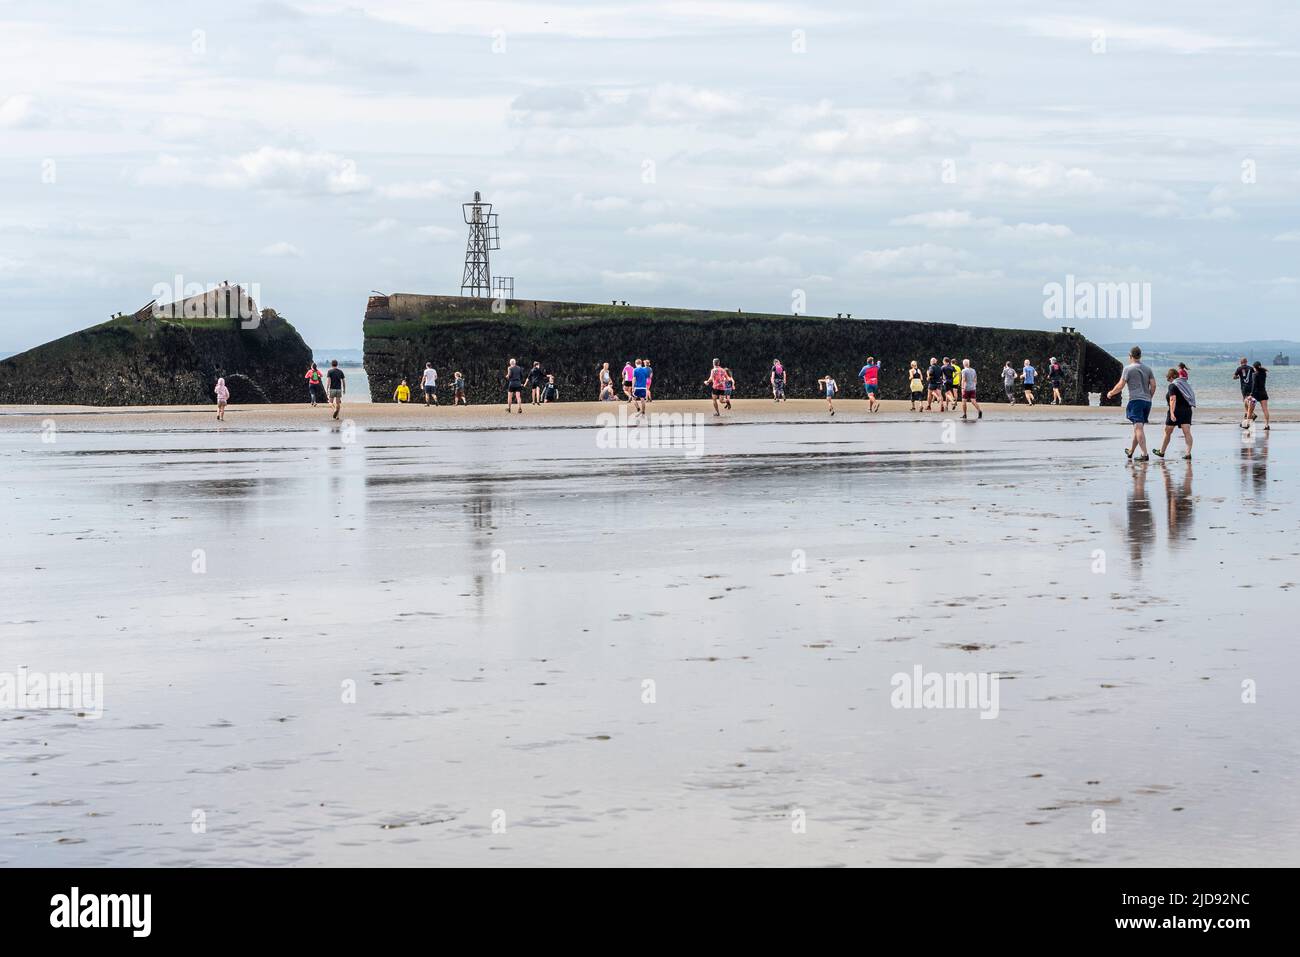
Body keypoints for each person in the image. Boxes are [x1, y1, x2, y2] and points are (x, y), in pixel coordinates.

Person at [1106, 346, 1156, 460]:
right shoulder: (1148, 369)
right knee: (1138, 428)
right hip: (1147, 402)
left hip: (1136, 401)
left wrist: (1111, 393)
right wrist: (1149, 397)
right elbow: (1153, 385)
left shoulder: (1128, 369)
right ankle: (1131, 451)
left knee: (1138, 428)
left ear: (1130, 356)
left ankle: (1144, 454)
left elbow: (1120, 385)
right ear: (1140, 356)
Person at [1153, 367, 1194, 459]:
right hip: (1187, 410)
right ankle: (1188, 454)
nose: (1168, 380)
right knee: (1187, 432)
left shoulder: (1172, 385)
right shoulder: (1184, 384)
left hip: (1176, 410)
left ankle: (1162, 452)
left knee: (1168, 431)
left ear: (1171, 377)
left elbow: (1172, 399)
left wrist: (1172, 413)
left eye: (1168, 378)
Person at [1249, 360, 1270, 430]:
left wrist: (1251, 394)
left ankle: (1248, 424)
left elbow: (1254, 385)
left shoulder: (1255, 374)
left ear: (1254, 367)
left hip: (1255, 394)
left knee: (1250, 410)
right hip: (1263, 393)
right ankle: (1267, 425)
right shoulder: (1264, 373)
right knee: (1265, 410)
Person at [1232, 358, 1255, 423]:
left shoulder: (1239, 368)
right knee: (1250, 399)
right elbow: (1255, 374)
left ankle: (1250, 413)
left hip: (1244, 386)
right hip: (1251, 386)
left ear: (1240, 362)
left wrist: (1238, 377)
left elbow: (1234, 377)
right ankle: (1248, 413)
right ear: (1246, 362)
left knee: (1245, 399)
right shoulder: (1250, 368)